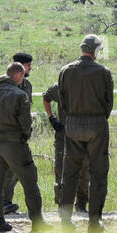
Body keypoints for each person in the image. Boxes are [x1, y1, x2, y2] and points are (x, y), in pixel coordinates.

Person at [56, 34, 114, 233]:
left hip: (72, 123)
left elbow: (61, 101)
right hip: (97, 123)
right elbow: (109, 103)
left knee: (69, 173)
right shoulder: (103, 72)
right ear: (96, 51)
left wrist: (72, 116)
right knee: (98, 173)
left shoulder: (66, 71)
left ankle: (65, 221)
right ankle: (94, 222)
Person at [0, 61, 45, 233]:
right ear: (18, 75)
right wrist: (23, 138)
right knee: (30, 182)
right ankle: (37, 222)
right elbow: (26, 125)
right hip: (15, 144)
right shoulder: (19, 95)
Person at [43, 81, 89, 213]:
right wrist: (52, 118)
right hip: (64, 134)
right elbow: (46, 98)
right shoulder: (59, 86)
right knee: (61, 169)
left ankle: (81, 203)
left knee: (84, 169)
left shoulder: (88, 84)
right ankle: (62, 205)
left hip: (83, 133)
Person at [1, 51, 33, 214]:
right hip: (5, 133)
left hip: (20, 135)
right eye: (28, 66)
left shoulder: (27, 85)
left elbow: (26, 111)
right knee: (5, 169)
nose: (30, 69)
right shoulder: (2, 84)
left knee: (14, 170)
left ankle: (6, 201)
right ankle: (2, 202)